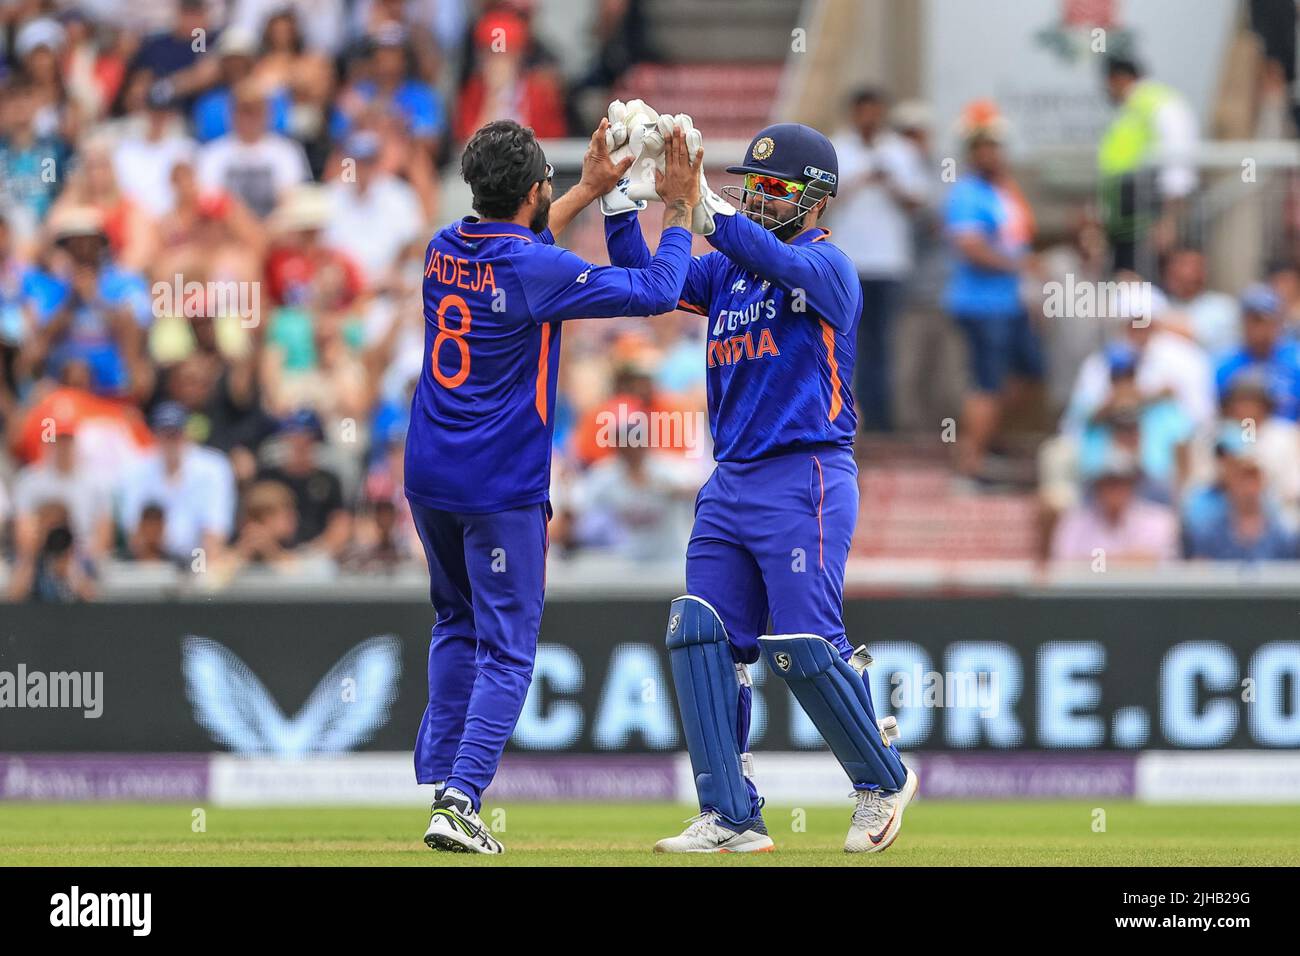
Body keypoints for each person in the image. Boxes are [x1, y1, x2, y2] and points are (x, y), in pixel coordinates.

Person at [604, 113, 917, 853]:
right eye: (754, 184)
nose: (760, 197)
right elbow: (644, 286)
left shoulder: (830, 266)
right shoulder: (728, 268)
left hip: (805, 473)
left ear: (816, 201)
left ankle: (882, 779)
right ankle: (732, 814)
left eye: (777, 188)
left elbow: (782, 266)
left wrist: (699, 205)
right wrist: (625, 201)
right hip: (730, 479)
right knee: (698, 633)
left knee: (803, 644)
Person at [413, 118, 700, 854]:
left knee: (455, 623)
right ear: (535, 190)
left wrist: (584, 191)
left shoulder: (445, 247)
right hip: (497, 483)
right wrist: (671, 206)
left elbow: (526, 251)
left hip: (428, 475)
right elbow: (660, 290)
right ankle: (460, 799)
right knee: (509, 649)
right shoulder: (531, 270)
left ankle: (441, 775)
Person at [943, 101, 1041, 483]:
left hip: (1009, 302)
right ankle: (970, 459)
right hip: (981, 304)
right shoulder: (967, 192)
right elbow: (970, 246)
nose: (990, 154)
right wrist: (1019, 266)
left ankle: (986, 437)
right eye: (982, 147)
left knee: (1028, 373)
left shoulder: (1002, 189)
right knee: (987, 381)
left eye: (994, 146)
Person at [827, 88, 929, 432]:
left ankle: (883, 418)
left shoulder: (900, 151)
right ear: (854, 113)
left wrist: (891, 184)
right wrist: (861, 180)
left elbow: (918, 204)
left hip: (888, 262)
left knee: (883, 342)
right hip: (849, 262)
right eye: (863, 112)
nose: (869, 120)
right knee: (846, 338)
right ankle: (846, 415)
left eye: (875, 112)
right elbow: (823, 201)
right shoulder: (836, 149)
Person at [1097, 56, 1198, 274]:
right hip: (1126, 212)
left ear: (1119, 79)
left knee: (1143, 278)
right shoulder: (1132, 109)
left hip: (1145, 209)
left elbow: (1177, 160)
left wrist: (1168, 219)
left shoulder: (1157, 103)